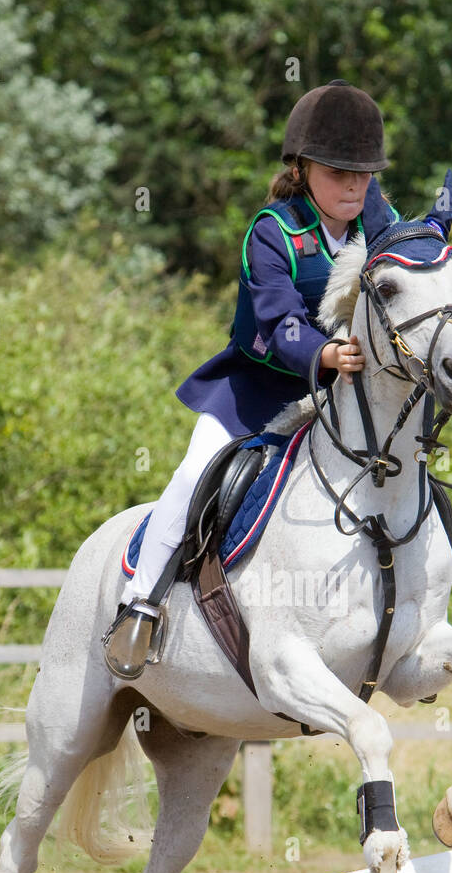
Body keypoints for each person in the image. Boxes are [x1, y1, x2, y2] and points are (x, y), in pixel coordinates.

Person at [103, 79, 400, 679]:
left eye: (363, 174)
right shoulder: (274, 230)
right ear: (303, 167)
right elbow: (280, 321)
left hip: (346, 398)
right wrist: (326, 355)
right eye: (339, 172)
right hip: (258, 389)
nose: (354, 186)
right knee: (193, 475)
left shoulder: (380, 219)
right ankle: (142, 607)